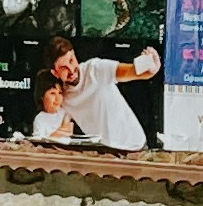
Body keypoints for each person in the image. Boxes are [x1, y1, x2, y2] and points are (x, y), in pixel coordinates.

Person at [34, 38, 162, 150]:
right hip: (104, 153)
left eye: (71, 61)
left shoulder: (95, 69)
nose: (71, 70)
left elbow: (132, 71)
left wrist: (152, 68)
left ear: (74, 54)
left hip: (134, 146)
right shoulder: (62, 95)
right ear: (55, 73)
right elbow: (53, 122)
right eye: (63, 68)